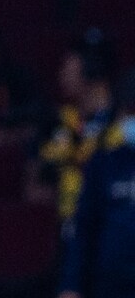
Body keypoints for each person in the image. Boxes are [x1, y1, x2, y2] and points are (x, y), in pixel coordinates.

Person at [60, 71, 135, 298]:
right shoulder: (103, 163)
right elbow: (84, 229)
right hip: (109, 286)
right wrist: (70, 286)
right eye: (128, 112)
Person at [41, 43, 120, 221]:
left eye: (67, 68)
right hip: (66, 223)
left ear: (92, 73)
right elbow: (39, 180)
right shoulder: (60, 123)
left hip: (111, 221)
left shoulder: (123, 123)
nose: (60, 75)